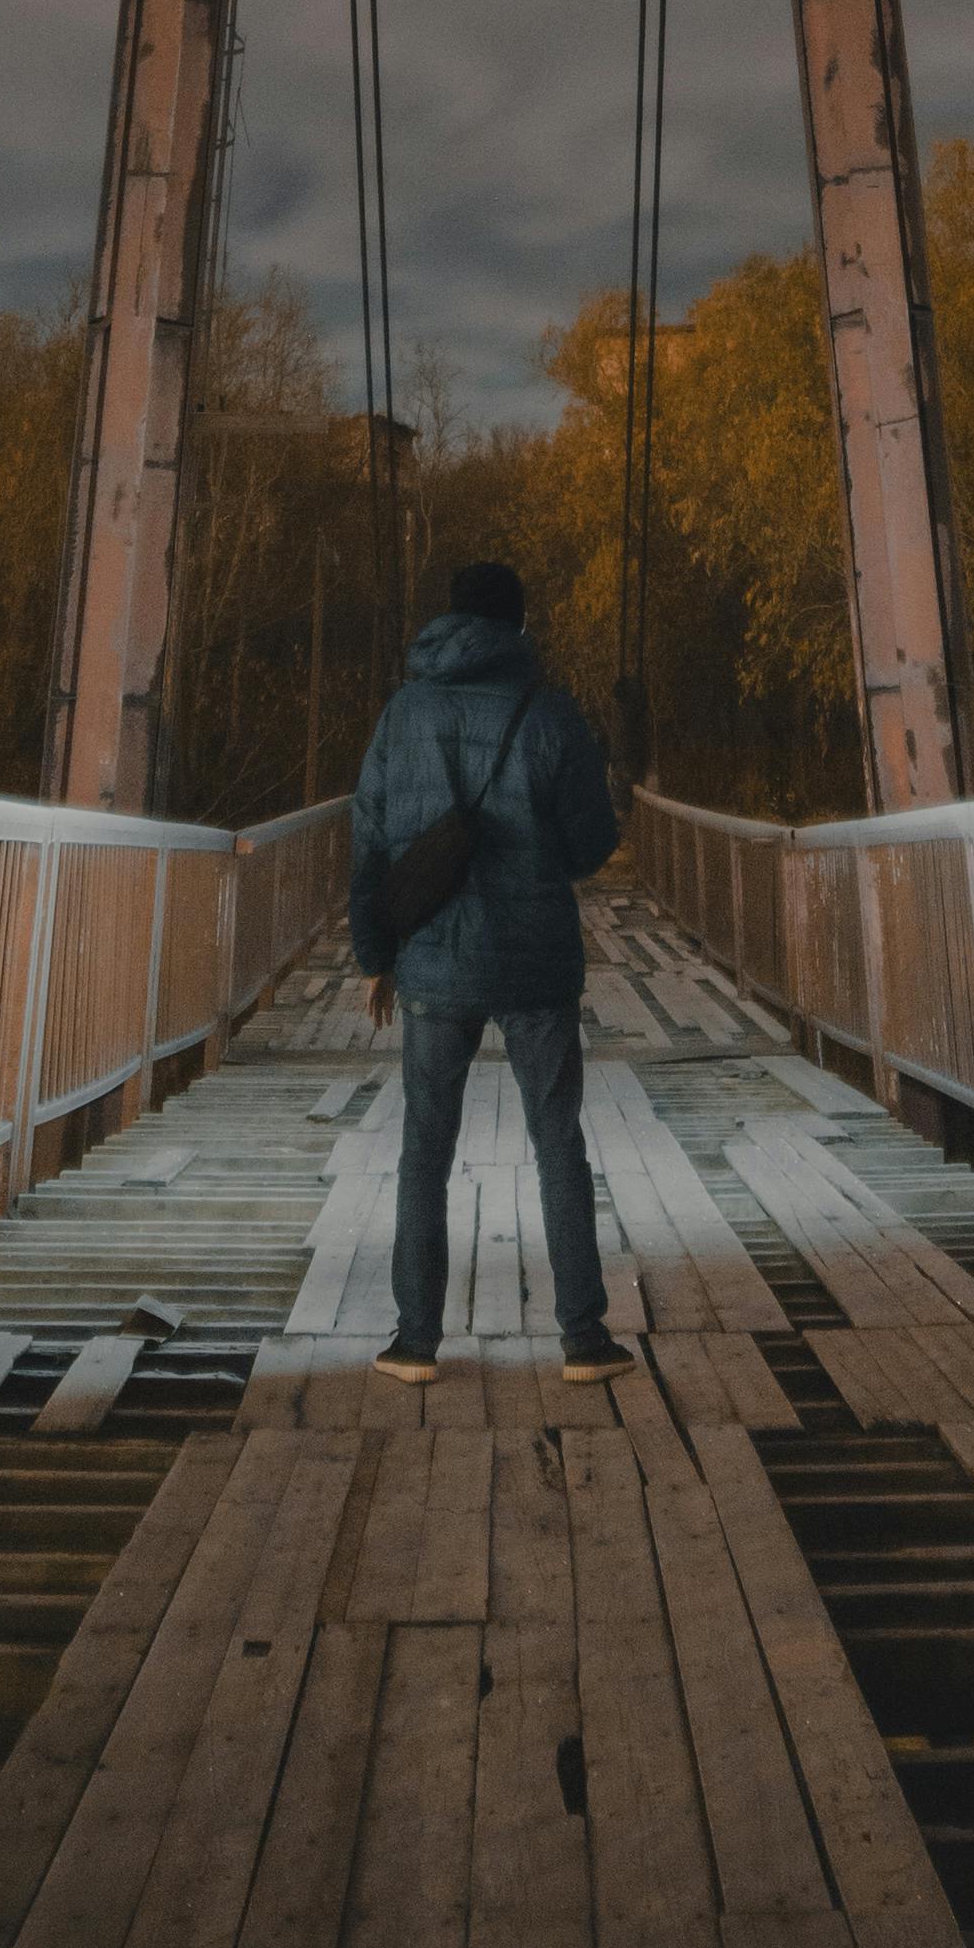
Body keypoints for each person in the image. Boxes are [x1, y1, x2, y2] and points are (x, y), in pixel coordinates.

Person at [346, 556, 627, 1386]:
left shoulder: (403, 712)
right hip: (536, 963)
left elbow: (368, 837)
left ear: (449, 624)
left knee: (426, 1151)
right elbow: (590, 847)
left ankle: (415, 1342)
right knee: (557, 1143)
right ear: (519, 628)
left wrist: (376, 957)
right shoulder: (552, 713)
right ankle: (583, 1340)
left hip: (434, 961)